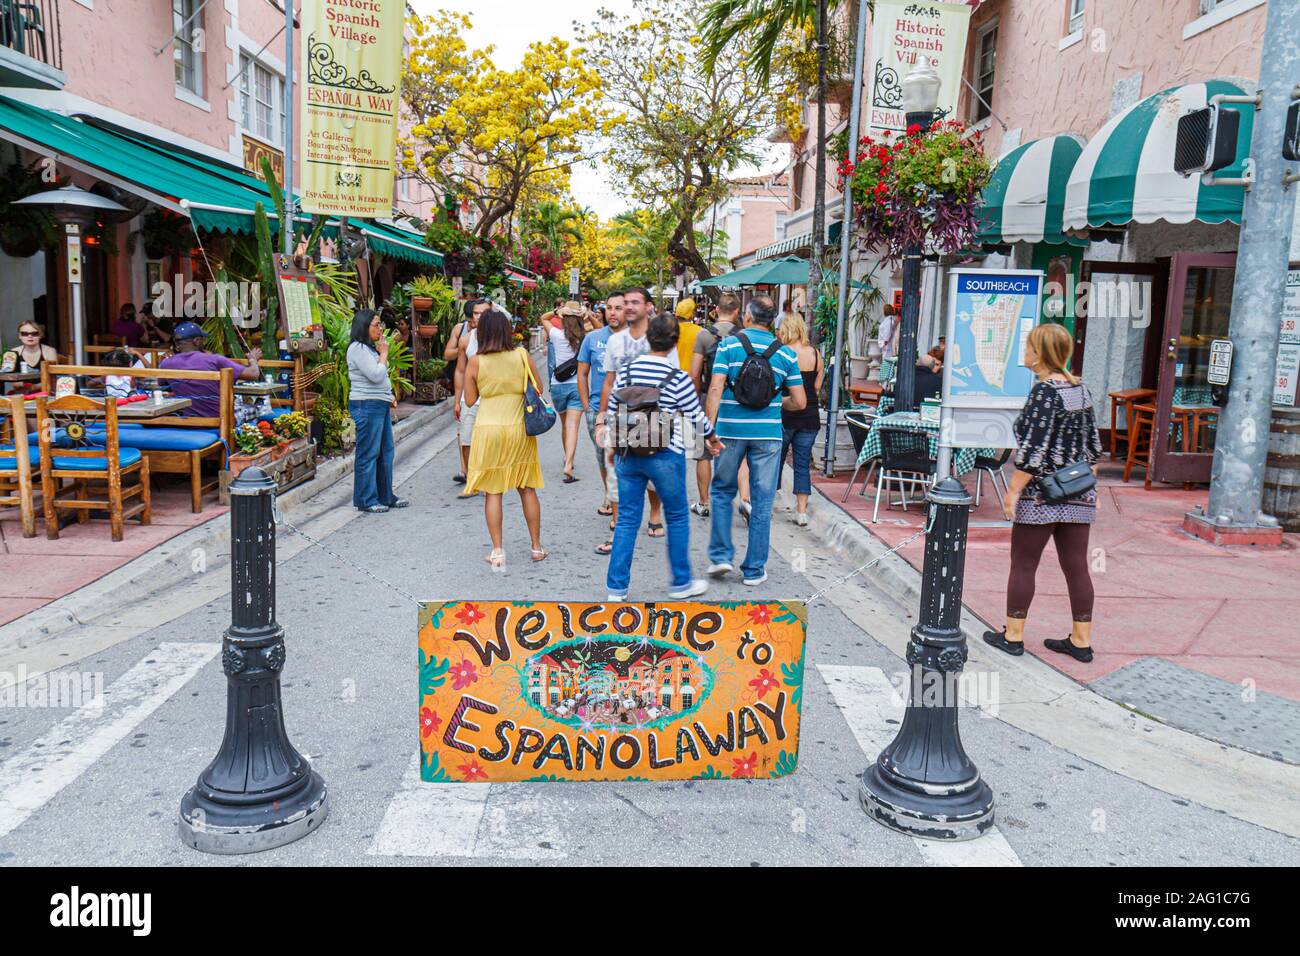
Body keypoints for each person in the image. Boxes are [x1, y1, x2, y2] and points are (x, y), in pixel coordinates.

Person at [983, 323, 1103, 663]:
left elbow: (1033, 454)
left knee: (1024, 564)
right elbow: (1094, 450)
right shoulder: (1081, 390)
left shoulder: (1044, 393)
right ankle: (1081, 641)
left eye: (1029, 347)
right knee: (1077, 567)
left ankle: (1013, 635)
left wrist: (1012, 493)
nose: (1025, 352)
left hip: (1041, 494)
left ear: (1040, 354)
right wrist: (1077, 479)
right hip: (1079, 493)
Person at [604, 313, 719, 601]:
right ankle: (681, 582)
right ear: (673, 343)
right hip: (664, 452)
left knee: (628, 519)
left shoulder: (627, 372)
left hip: (628, 451)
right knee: (677, 515)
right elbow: (695, 414)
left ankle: (616, 588)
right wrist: (711, 436)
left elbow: (612, 407)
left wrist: (611, 444)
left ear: (648, 339)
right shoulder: (676, 377)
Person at [705, 295, 805, 586]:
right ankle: (754, 569)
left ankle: (721, 556)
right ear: (772, 321)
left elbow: (715, 388)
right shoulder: (786, 354)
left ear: (746, 316)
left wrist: (710, 430)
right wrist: (774, 402)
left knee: (722, 491)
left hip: (730, 431)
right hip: (768, 436)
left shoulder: (729, 345)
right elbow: (799, 402)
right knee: (762, 501)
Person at [464, 310, 547, 568]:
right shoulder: (521, 355)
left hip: (489, 428)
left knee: (493, 492)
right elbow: (538, 389)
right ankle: (536, 547)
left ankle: (498, 551)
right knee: (526, 488)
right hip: (518, 428)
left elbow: (468, 400)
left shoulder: (476, 362)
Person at [597, 287, 664, 538]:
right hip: (620, 414)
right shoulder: (615, 341)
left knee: (653, 472)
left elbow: (675, 378)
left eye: (635, 302)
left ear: (648, 306)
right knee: (615, 470)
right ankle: (618, 524)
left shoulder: (661, 339)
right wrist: (602, 417)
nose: (629, 307)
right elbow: (608, 381)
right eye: (626, 303)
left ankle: (655, 512)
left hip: (653, 414)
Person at [343, 310, 408, 514]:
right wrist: (384, 353)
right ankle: (366, 499)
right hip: (366, 405)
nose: (380, 329)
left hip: (378, 404)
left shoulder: (370, 350)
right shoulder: (357, 349)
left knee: (386, 451)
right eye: (377, 325)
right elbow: (375, 375)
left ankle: (385, 496)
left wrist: (389, 395)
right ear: (364, 326)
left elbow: (380, 377)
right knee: (369, 453)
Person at [578, 291, 625, 544]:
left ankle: (620, 503)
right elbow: (582, 373)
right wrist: (587, 407)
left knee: (622, 458)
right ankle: (610, 494)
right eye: (610, 307)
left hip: (628, 412)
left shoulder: (635, 340)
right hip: (598, 410)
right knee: (603, 458)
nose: (613, 312)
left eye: (618, 307)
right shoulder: (592, 339)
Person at [688, 293, 740, 518]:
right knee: (738, 451)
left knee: (703, 453)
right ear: (737, 312)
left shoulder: (703, 336)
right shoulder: (743, 336)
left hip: (708, 396)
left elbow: (694, 374)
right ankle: (741, 499)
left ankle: (703, 501)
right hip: (738, 400)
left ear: (717, 309)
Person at [777, 313, 823, 526]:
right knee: (802, 462)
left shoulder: (783, 353)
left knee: (775, 460)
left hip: (786, 412)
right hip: (810, 415)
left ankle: (768, 503)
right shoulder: (815, 354)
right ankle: (801, 511)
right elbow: (816, 387)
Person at [160, 321, 261, 418]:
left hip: (185, 419)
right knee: (261, 409)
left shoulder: (166, 364)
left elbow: (158, 386)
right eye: (202, 339)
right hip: (220, 418)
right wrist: (253, 359)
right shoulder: (214, 359)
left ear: (177, 346)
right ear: (196, 341)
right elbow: (253, 374)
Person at [449, 298, 492, 490]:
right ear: (471, 316)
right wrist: (458, 400)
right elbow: (460, 371)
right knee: (466, 439)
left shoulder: (500, 339)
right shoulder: (466, 340)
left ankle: (486, 475)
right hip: (470, 398)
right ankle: (472, 475)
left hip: (493, 400)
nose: (480, 317)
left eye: (484, 313)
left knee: (489, 440)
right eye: (476, 313)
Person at [549, 301, 587, 482]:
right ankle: (568, 464)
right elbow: (601, 328)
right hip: (576, 385)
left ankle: (567, 457)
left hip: (557, 385)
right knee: (573, 427)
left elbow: (543, 318)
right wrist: (589, 315)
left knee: (565, 425)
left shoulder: (556, 334)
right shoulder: (585, 338)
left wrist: (557, 311)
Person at [4, 320, 59, 389]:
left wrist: (34, 387)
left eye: (34, 333)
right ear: (20, 336)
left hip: (44, 391)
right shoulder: (13, 353)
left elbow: (52, 378)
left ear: (40, 335)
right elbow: (10, 379)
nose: (30, 336)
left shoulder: (49, 351)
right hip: (20, 392)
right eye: (25, 333)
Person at [673, 298, 700, 371]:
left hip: (670, 377)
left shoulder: (668, 330)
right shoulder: (700, 332)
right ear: (691, 316)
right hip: (690, 377)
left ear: (676, 315)